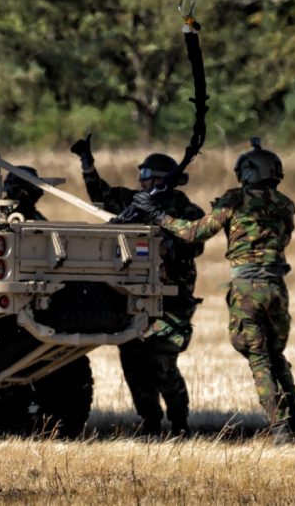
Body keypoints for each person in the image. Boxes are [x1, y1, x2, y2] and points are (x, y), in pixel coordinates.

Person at [133, 139, 295, 443]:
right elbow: (284, 237)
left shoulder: (233, 200)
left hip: (246, 287)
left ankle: (280, 430)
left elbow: (195, 232)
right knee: (275, 353)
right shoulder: (284, 204)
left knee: (258, 357)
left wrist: (158, 216)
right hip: (277, 286)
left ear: (246, 172)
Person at [70, 134, 204, 436]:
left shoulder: (187, 210)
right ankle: (150, 422)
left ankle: (179, 422)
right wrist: (87, 163)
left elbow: (192, 242)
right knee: (132, 361)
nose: (141, 181)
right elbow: (100, 195)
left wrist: (160, 220)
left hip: (172, 299)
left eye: (145, 175)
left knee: (163, 360)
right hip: (133, 297)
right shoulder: (136, 203)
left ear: (160, 179)